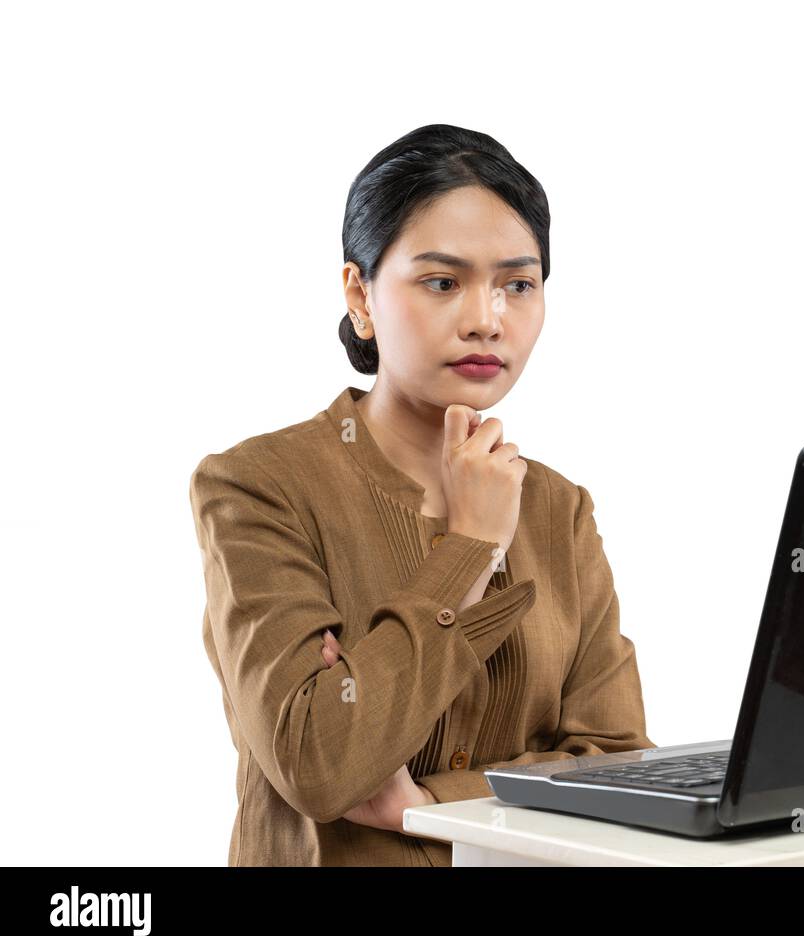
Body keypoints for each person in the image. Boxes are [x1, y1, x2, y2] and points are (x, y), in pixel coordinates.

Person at [188, 123, 655, 866]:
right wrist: (466, 551)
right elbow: (320, 761)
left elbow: (621, 770)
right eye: (442, 282)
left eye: (518, 284)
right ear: (360, 293)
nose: (485, 319)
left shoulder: (559, 511)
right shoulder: (260, 487)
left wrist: (430, 805)